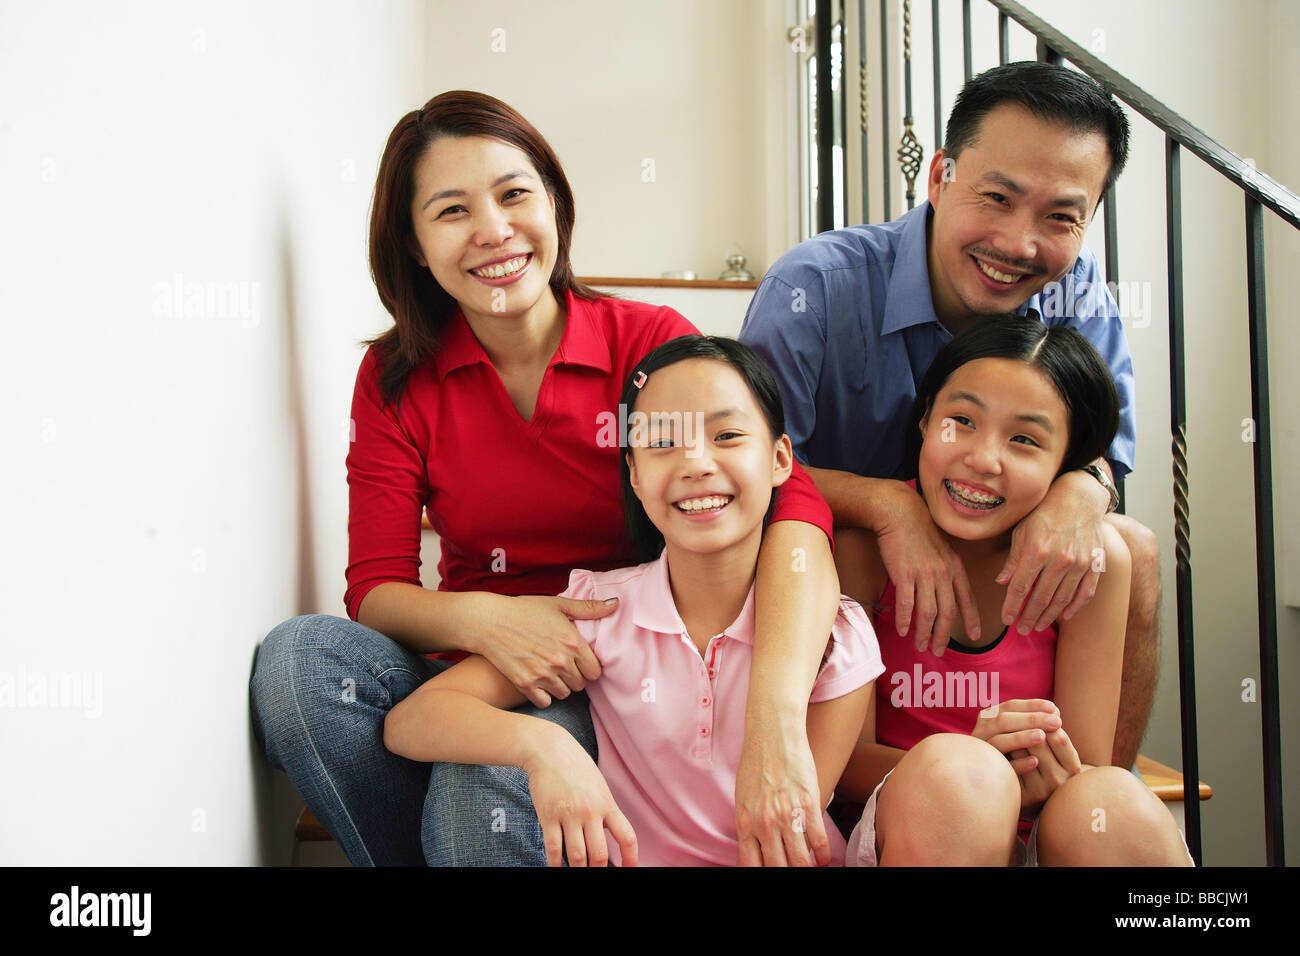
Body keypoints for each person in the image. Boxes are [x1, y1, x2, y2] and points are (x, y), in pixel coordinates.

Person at [249, 91, 843, 866]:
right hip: (470, 664)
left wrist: (773, 710)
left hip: (610, 667)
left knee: (483, 781)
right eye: (452, 210)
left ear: (555, 203)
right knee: (298, 664)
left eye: (514, 193)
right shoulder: (396, 376)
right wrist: (492, 620)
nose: (494, 230)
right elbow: (376, 591)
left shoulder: (647, 342)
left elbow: (785, 501)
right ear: (416, 243)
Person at [739, 60, 1160, 770]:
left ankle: (1087, 800)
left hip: (988, 540)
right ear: (940, 176)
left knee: (1134, 551)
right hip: (831, 552)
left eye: (1061, 217)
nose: (1018, 245)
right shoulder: (813, 287)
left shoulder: (1076, 288)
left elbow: (1102, 450)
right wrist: (884, 506)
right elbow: (750, 465)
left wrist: (1081, 488)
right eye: (997, 197)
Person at [384, 335, 882, 866]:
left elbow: (785, 831)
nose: (696, 463)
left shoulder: (833, 637)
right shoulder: (598, 612)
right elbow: (412, 719)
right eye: (663, 442)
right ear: (635, 475)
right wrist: (542, 747)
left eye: (728, 435)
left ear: (781, 459)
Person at [833, 316, 1192, 866]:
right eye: (961, 421)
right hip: (914, 824)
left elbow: (1086, 765)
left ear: (1068, 463)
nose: (983, 459)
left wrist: (1042, 768)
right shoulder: (862, 553)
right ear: (926, 419)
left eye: (1024, 439)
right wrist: (983, 770)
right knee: (960, 779)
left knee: (1113, 797)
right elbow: (843, 762)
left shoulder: (1095, 564)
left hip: (1038, 832)